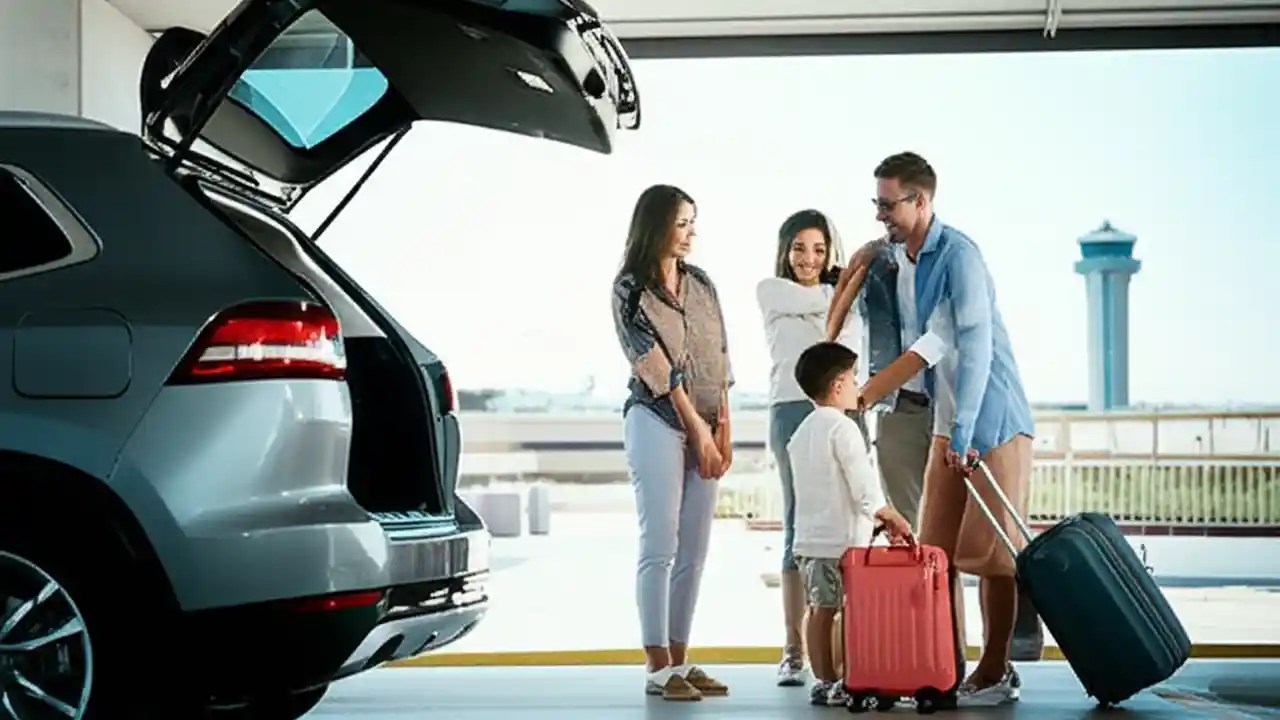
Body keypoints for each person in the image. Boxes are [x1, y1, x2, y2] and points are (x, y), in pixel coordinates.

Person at [852, 152, 1035, 706]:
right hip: (947, 421)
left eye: (888, 204)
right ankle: (942, 665)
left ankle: (998, 669)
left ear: (921, 201)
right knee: (935, 550)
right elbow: (923, 346)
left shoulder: (959, 256)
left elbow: (973, 348)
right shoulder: (903, 257)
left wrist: (966, 433)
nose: (880, 214)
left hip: (991, 420)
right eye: (876, 204)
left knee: (992, 555)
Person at [611, 184, 734, 702]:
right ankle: (657, 665)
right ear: (656, 224)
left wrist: (725, 425)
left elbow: (719, 355)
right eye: (681, 222)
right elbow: (656, 369)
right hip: (657, 419)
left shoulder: (701, 283)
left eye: (692, 222)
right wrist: (697, 430)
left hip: (708, 420)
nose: (690, 232)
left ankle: (680, 659)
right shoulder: (630, 288)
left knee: (696, 551)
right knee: (660, 544)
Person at [755, 209, 867, 687]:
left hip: (845, 411)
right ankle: (793, 647)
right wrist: (835, 296)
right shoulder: (770, 290)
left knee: (849, 524)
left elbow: (850, 343)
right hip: (790, 410)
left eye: (819, 250)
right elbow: (823, 317)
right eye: (799, 248)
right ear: (785, 250)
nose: (808, 258)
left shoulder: (837, 298)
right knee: (798, 526)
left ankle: (845, 647)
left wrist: (834, 302)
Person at [786, 341, 914, 707]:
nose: (859, 385)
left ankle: (826, 680)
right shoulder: (842, 428)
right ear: (839, 384)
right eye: (855, 377)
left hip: (809, 542)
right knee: (840, 611)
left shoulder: (802, 432)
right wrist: (885, 512)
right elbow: (862, 482)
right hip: (841, 543)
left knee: (818, 610)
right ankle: (838, 678)